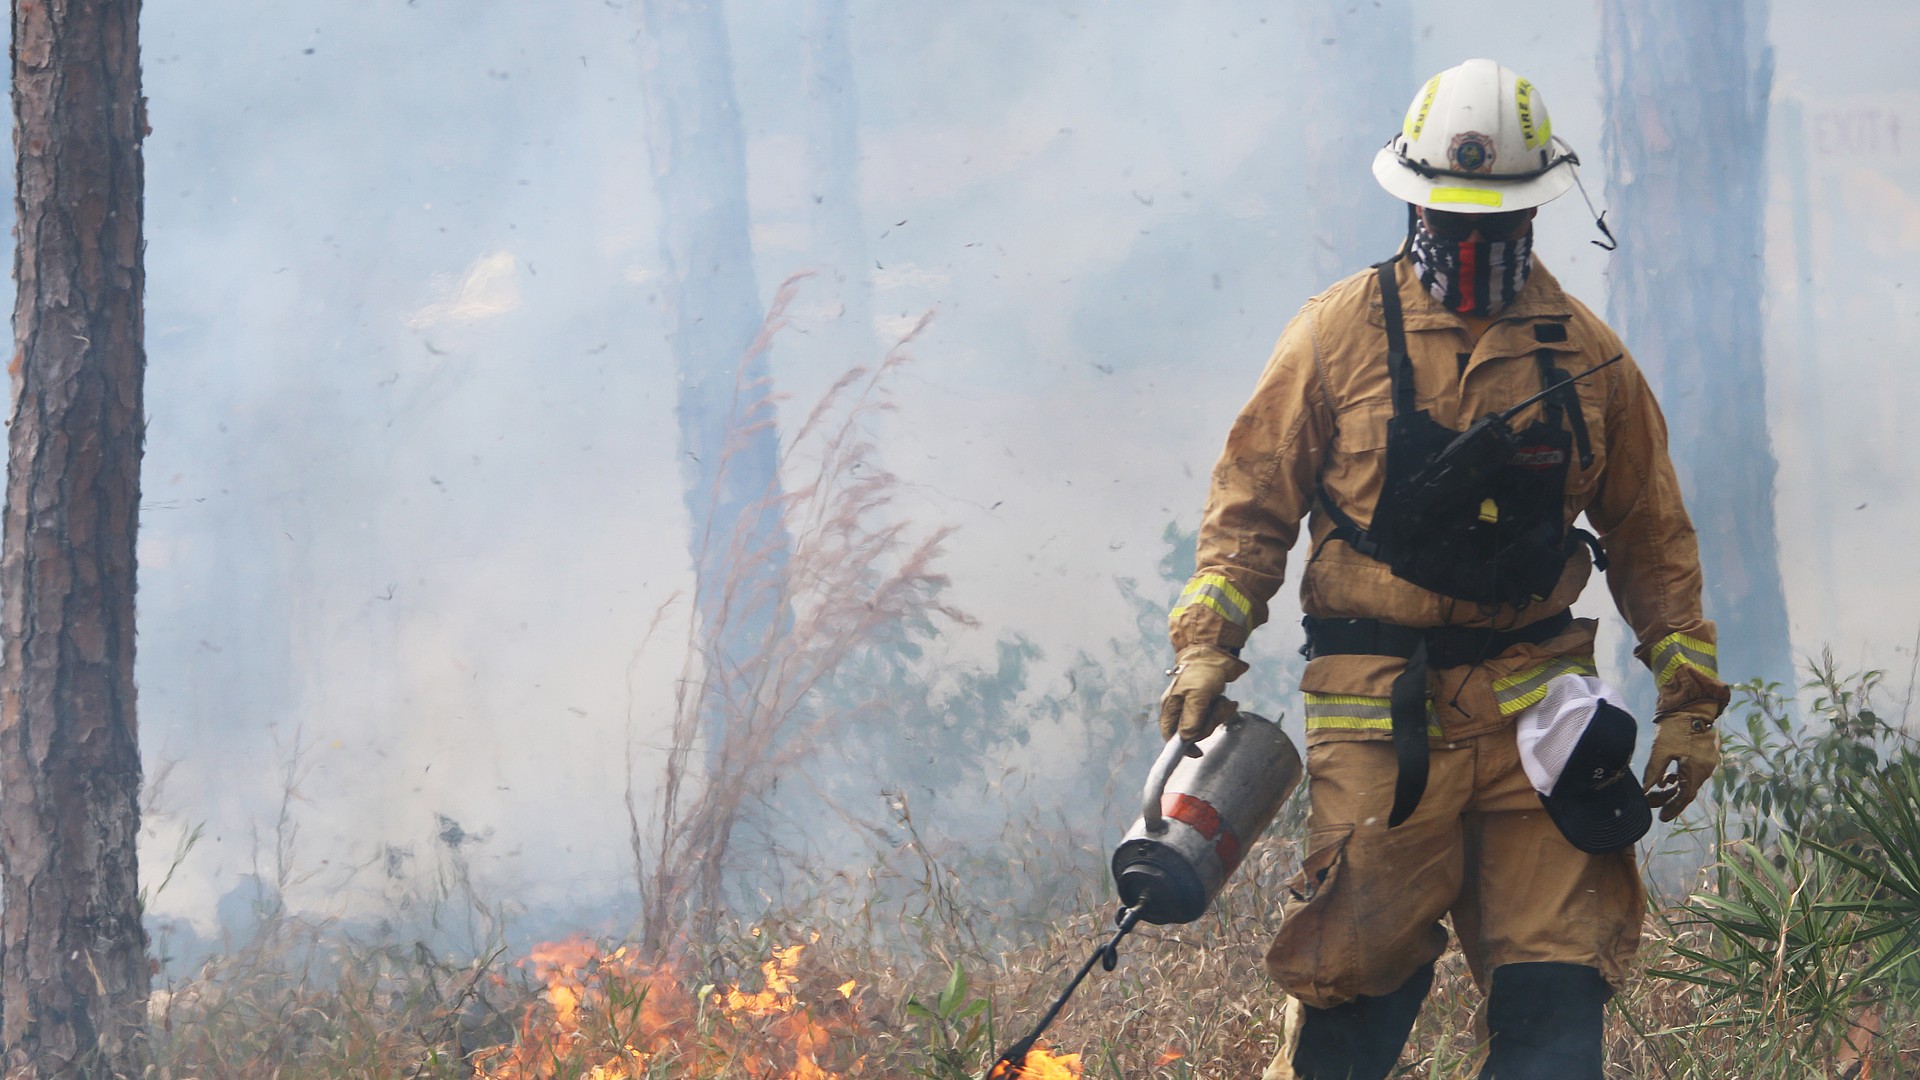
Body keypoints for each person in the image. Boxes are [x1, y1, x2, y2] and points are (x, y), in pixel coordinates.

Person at [1157, 59, 1729, 1079]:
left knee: (1555, 1004)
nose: (1471, 245)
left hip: (1539, 727)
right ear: (1415, 203)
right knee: (1355, 994)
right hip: (1381, 719)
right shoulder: (1335, 335)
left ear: (1535, 213)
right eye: (1453, 220)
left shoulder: (1589, 358)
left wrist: (1689, 700)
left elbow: (1652, 537)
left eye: (1494, 223)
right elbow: (1251, 504)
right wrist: (1208, 646)